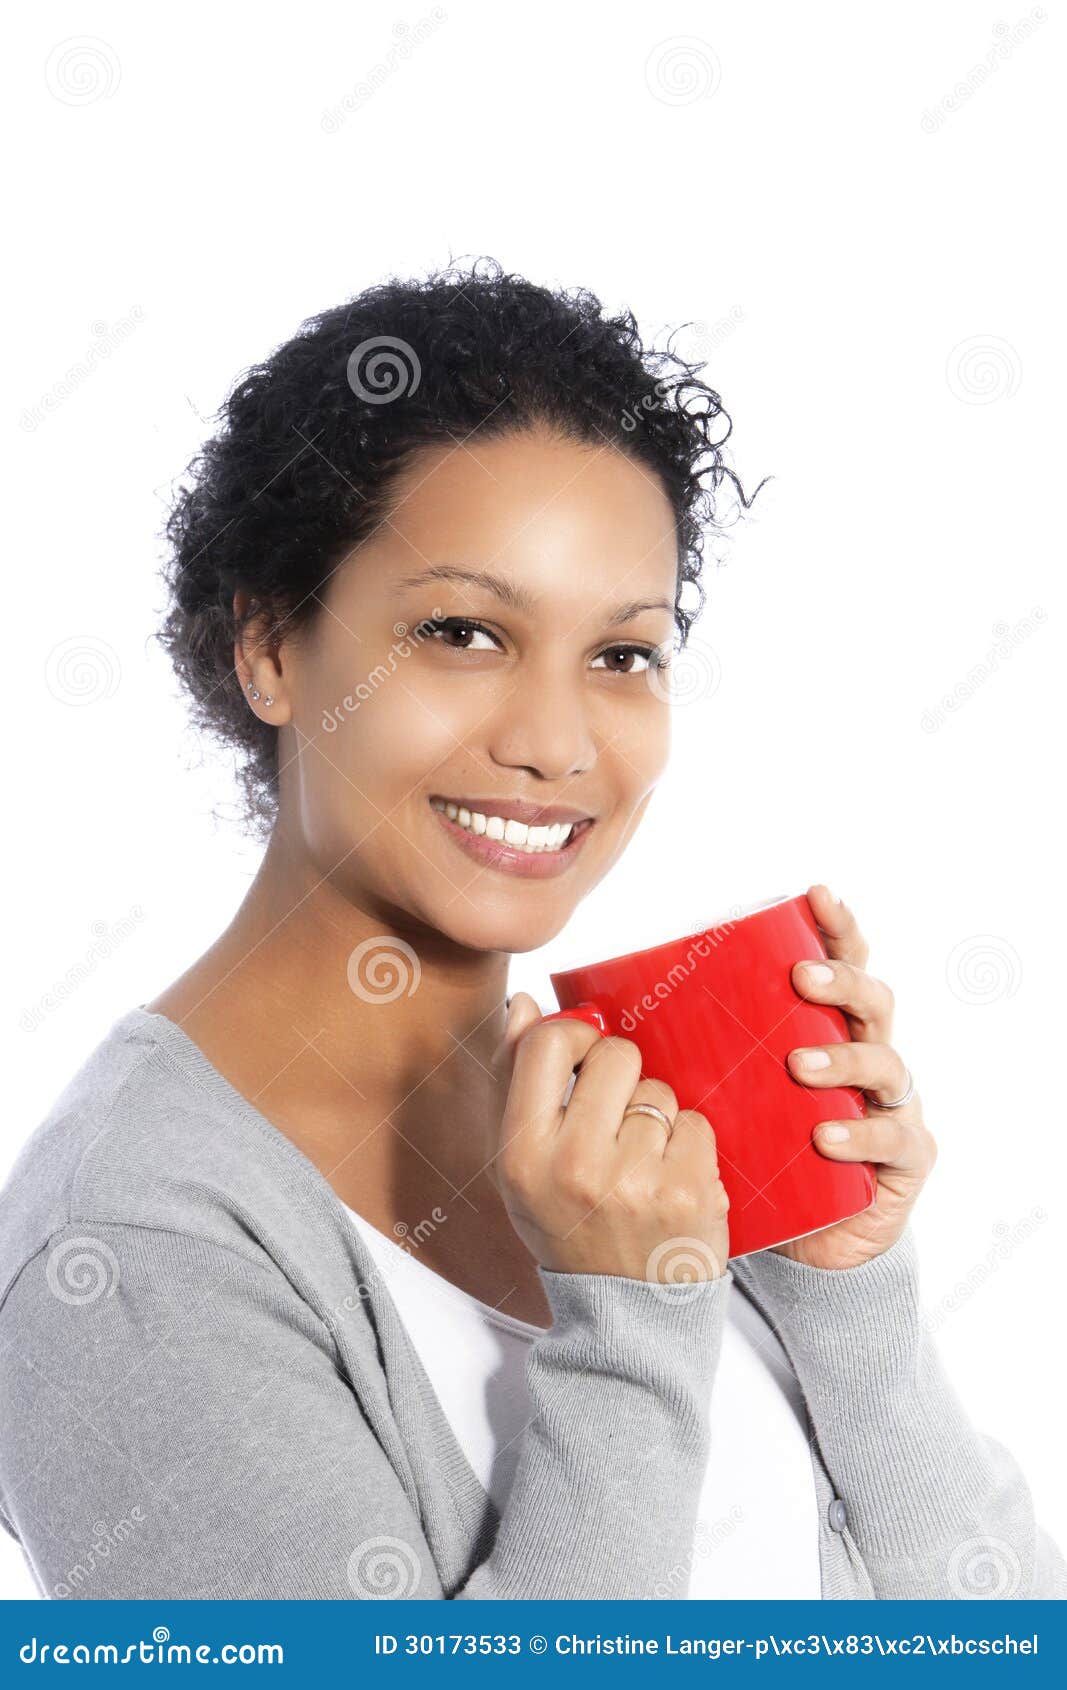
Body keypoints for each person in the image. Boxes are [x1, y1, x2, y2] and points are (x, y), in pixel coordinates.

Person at [1, 260, 1062, 1601]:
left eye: (624, 654)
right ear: (266, 644)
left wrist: (842, 1291)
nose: (556, 745)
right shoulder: (134, 1243)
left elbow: (1008, 1633)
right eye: (462, 631)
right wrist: (631, 1321)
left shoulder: (637, 1122)